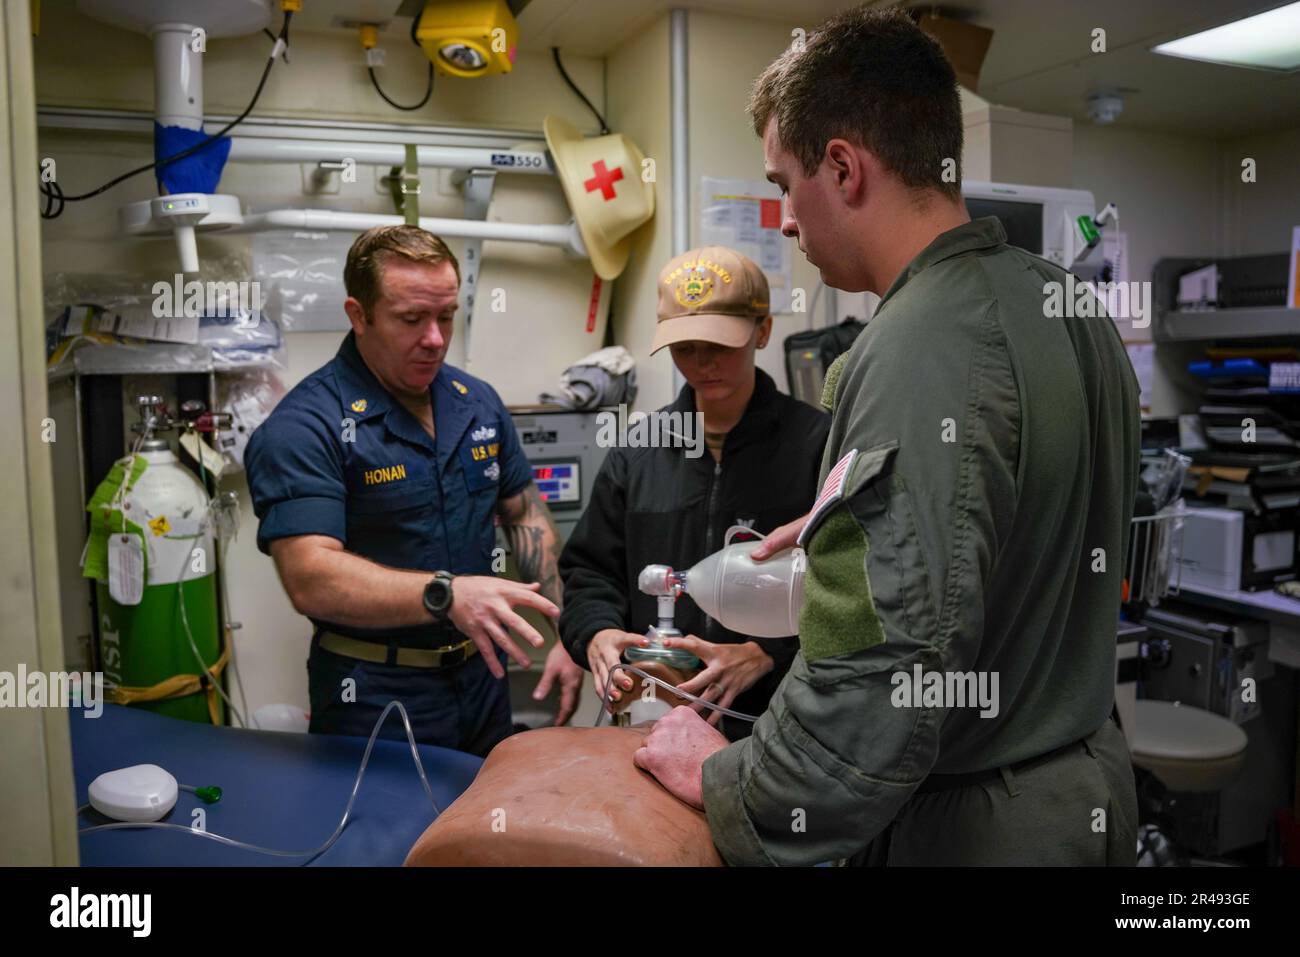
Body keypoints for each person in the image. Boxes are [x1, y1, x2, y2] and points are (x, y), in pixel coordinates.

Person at [634, 7, 1141, 865]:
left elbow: (889, 667)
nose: (785, 219)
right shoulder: (1069, 307)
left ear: (842, 167)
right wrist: (846, 533)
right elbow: (1019, 530)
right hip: (1084, 789)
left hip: (978, 828)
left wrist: (741, 782)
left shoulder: (918, 342)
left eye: (784, 182)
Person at [245, 225, 583, 756]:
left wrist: (567, 632)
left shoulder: (477, 402)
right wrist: (447, 594)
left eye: (446, 316)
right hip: (374, 692)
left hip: (481, 679)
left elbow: (524, 514)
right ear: (359, 315)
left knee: (480, 829)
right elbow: (310, 578)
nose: (434, 338)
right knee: (384, 839)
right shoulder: (306, 425)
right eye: (411, 319)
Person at [559, 246, 829, 741]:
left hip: (780, 720)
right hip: (657, 712)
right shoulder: (638, 451)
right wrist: (596, 632)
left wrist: (769, 653)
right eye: (686, 350)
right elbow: (590, 570)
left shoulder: (817, 445)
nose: (703, 365)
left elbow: (852, 584)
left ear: (762, 331)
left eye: (719, 346)